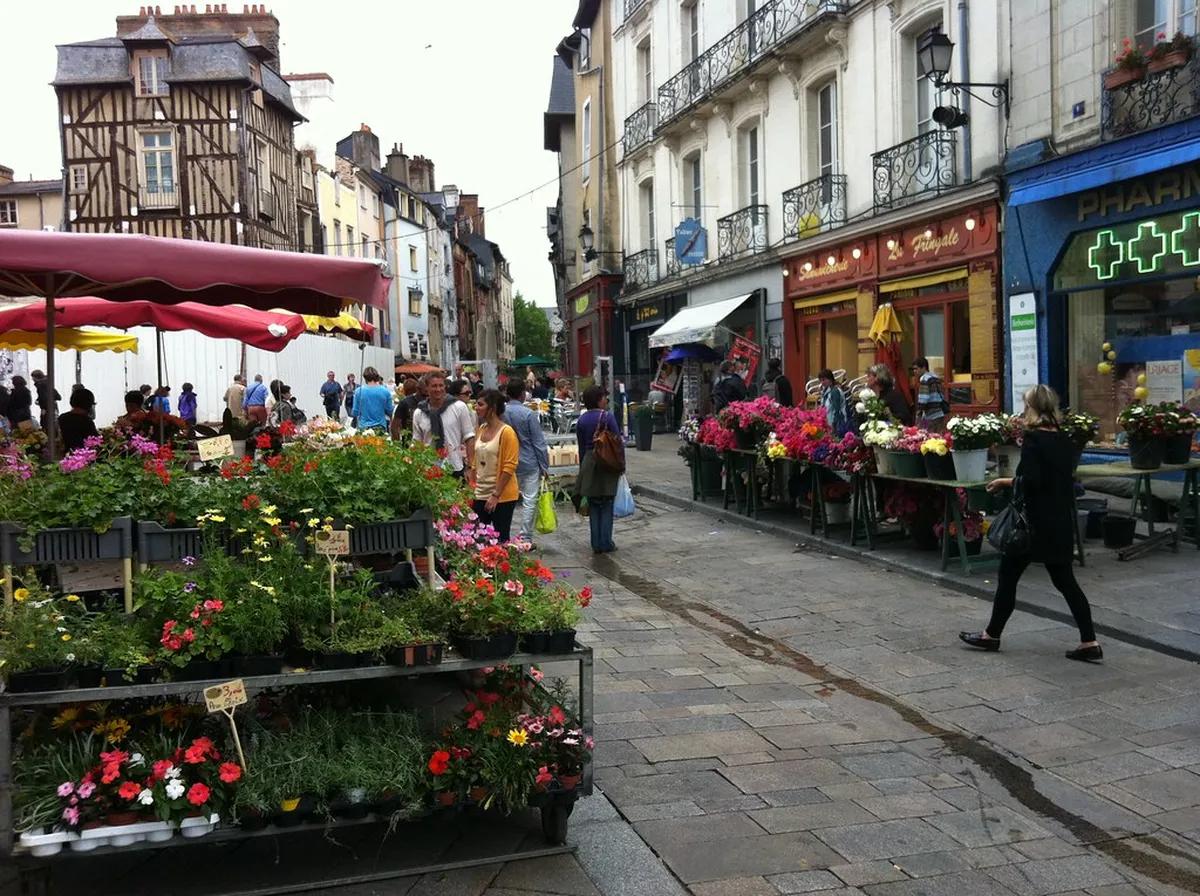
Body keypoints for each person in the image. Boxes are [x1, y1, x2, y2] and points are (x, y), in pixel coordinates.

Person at [960, 385, 1102, 663]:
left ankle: (991, 636)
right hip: (1059, 521)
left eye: (1027, 405)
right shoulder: (1065, 439)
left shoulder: (1034, 440)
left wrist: (1004, 482)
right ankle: (1089, 640)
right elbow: (1060, 481)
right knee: (1066, 582)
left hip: (1032, 525)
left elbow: (1032, 482)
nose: (1025, 410)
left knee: (1008, 577)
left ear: (1034, 408)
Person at [576, 384, 622, 554]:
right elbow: (617, 442)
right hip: (607, 462)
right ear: (598, 399)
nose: (606, 400)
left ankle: (596, 543)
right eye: (604, 397)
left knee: (594, 503)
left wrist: (583, 468)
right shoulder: (607, 417)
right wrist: (621, 464)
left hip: (589, 462)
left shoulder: (581, 420)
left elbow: (581, 447)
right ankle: (606, 542)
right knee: (607, 502)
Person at [504, 379, 551, 544]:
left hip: (507, 462)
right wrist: (544, 465)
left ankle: (504, 534)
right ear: (523, 394)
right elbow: (538, 442)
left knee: (506, 500)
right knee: (529, 500)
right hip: (529, 461)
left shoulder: (500, 413)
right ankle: (525, 537)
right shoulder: (528, 414)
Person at [470, 389, 520, 541]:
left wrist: (496, 495)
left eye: (480, 404)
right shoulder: (481, 429)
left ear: (492, 408)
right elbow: (476, 460)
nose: (476, 408)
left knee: (500, 538)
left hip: (502, 496)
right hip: (480, 492)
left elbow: (509, 467)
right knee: (478, 538)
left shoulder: (507, 432)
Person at [413, 373, 476, 477]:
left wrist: (470, 467)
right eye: (434, 386)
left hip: (454, 466)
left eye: (441, 385)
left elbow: (469, 437)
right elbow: (417, 443)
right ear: (427, 388)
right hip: (429, 469)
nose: (438, 389)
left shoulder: (459, 407)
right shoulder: (419, 413)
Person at [351, 367, 393, 432]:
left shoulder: (358, 391)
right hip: (380, 427)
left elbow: (355, 412)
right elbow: (390, 411)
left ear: (365, 378)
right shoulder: (385, 391)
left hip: (363, 427)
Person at [912, 357, 947, 432]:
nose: (914, 371)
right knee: (938, 439)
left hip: (929, 416)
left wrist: (918, 414)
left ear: (923, 367)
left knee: (928, 438)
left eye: (916, 368)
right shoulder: (936, 378)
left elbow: (923, 399)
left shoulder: (925, 379)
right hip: (940, 413)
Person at [818, 369, 850, 435]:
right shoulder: (826, 391)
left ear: (830, 379)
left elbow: (837, 410)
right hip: (827, 423)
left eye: (824, 380)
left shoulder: (835, 392)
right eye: (820, 380)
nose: (822, 383)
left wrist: (834, 425)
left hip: (835, 425)